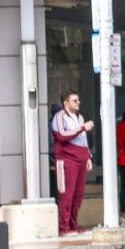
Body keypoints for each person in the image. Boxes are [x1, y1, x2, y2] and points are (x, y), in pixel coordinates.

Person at [51, 91, 93, 235]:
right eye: (75, 100)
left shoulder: (79, 117)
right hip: (66, 159)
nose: (78, 102)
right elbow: (61, 136)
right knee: (66, 195)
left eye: (78, 100)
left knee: (78, 195)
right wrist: (82, 128)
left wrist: (88, 157)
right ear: (66, 103)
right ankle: (64, 227)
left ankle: (73, 225)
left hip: (80, 159)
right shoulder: (59, 116)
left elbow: (83, 139)